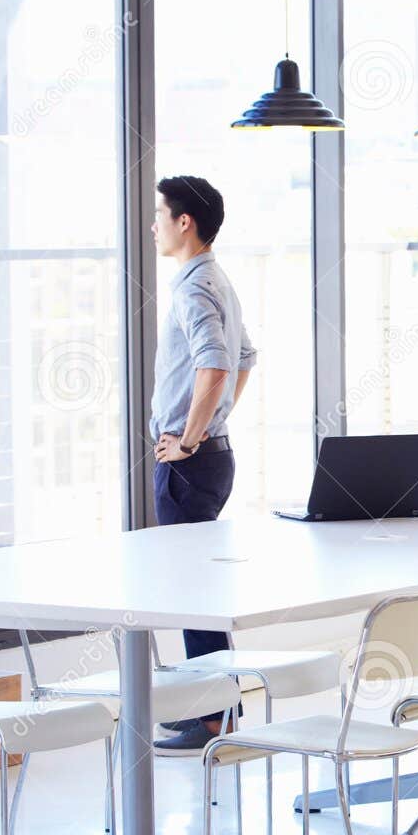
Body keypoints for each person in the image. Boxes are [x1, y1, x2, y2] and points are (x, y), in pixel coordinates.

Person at [147, 175, 257, 756]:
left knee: (195, 597)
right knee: (201, 594)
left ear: (184, 221)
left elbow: (216, 366)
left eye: (160, 215)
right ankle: (219, 711)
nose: (154, 226)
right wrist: (213, 422)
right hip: (213, 458)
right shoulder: (217, 279)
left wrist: (191, 439)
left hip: (191, 463)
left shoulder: (194, 288)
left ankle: (215, 722)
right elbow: (246, 358)